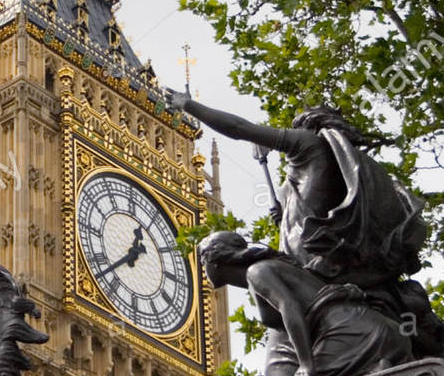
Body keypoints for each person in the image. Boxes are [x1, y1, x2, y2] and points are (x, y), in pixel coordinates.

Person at [166, 93, 426, 288]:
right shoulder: (326, 165)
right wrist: (283, 218)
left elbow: (239, 129)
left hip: (307, 257)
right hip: (316, 255)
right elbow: (307, 202)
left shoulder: (306, 142)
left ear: (305, 127)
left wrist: (189, 105)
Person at [199, 231, 412, 376]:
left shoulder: (257, 272)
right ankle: (376, 372)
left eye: (202, 261)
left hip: (352, 335)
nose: (203, 268)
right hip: (370, 327)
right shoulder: (273, 268)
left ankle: (375, 373)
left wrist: (306, 365)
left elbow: (290, 308)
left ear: (215, 260)